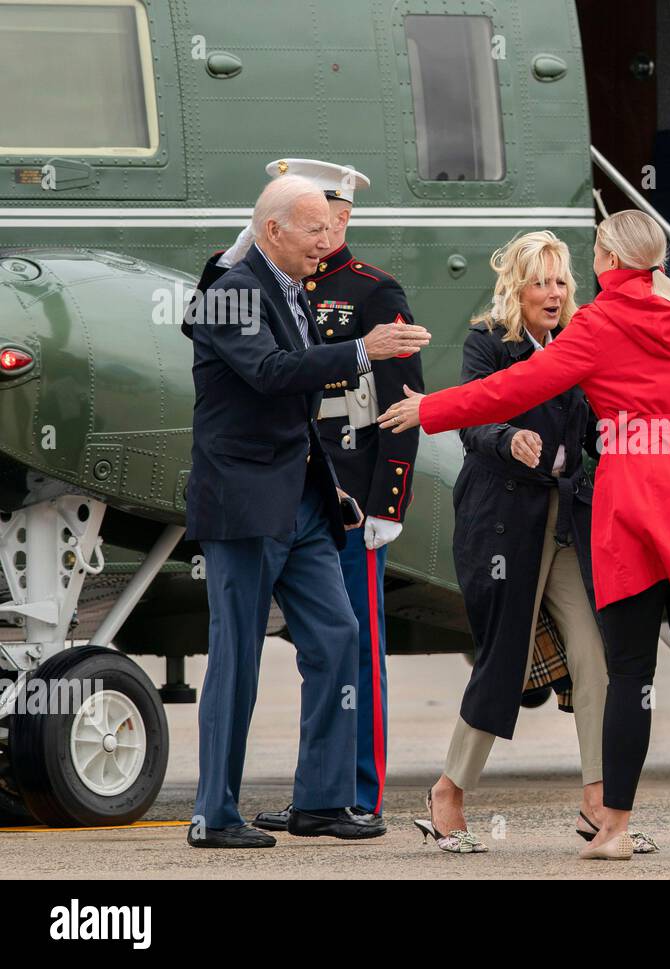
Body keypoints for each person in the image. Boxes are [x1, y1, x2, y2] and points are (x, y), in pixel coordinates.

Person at [381, 210, 670, 861]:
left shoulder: (597, 327)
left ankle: (610, 822)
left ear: (606, 261)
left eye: (572, 269)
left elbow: (514, 388)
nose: (558, 289)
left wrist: (430, 407)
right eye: (543, 280)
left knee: (622, 668)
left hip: (632, 518)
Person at [183, 174, 430, 848]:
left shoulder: (292, 291)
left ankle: (321, 799)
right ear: (272, 233)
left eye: (332, 226)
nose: (330, 239)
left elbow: (296, 408)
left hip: (306, 501)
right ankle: (215, 812)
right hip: (245, 506)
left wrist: (336, 486)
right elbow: (269, 372)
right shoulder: (232, 294)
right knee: (237, 655)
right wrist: (362, 350)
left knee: (338, 635)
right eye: (316, 228)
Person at [414, 231, 653, 855]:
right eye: (541, 282)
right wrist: (506, 440)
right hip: (500, 519)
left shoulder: (582, 339)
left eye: (561, 281)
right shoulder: (488, 340)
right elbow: (472, 418)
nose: (553, 293)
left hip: (566, 518)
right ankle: (449, 791)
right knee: (506, 658)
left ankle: (598, 799)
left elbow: (601, 420)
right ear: (516, 288)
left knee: (595, 654)